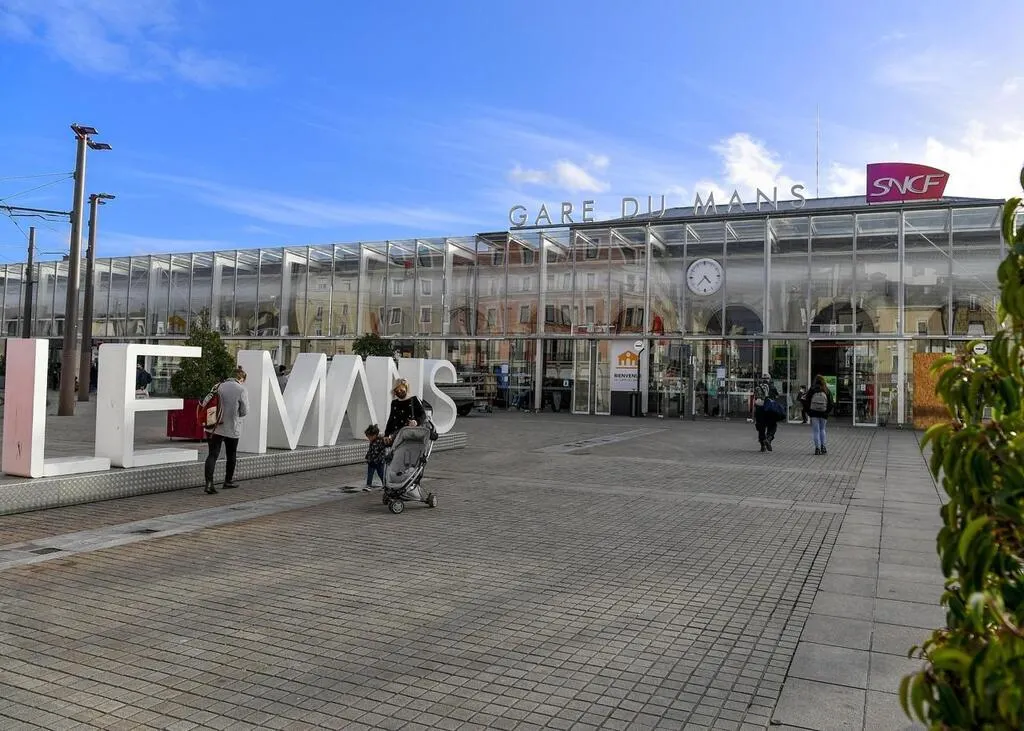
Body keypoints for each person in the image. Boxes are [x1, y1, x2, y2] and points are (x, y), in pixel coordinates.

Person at [201, 367, 249, 494]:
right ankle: (228, 481)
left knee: (212, 454)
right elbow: (244, 411)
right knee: (231, 454)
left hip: (214, 426)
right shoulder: (241, 389)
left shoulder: (217, 386)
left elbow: (206, 402)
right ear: (241, 378)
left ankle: (209, 484)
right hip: (231, 427)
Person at [803, 375, 834, 455]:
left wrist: (809, 412)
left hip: (814, 413)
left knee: (816, 431)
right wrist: (827, 412)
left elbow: (806, 401)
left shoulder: (812, 389)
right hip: (824, 413)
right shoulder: (826, 390)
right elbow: (831, 402)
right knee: (822, 429)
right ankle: (823, 447)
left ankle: (817, 449)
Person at [751, 374, 780, 452]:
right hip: (770, 409)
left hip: (760, 409)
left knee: (761, 427)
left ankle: (762, 445)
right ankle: (768, 438)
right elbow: (777, 396)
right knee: (773, 425)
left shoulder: (758, 387)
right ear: (769, 379)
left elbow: (755, 398)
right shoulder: (772, 387)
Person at [363, 424, 387, 491]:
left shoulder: (380, 441)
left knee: (381, 473)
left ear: (374, 435)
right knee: (370, 473)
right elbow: (370, 450)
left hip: (379, 461)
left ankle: (385, 485)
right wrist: (367, 457)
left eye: (369, 437)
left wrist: (380, 459)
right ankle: (368, 485)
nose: (368, 439)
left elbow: (382, 452)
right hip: (371, 461)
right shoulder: (372, 442)